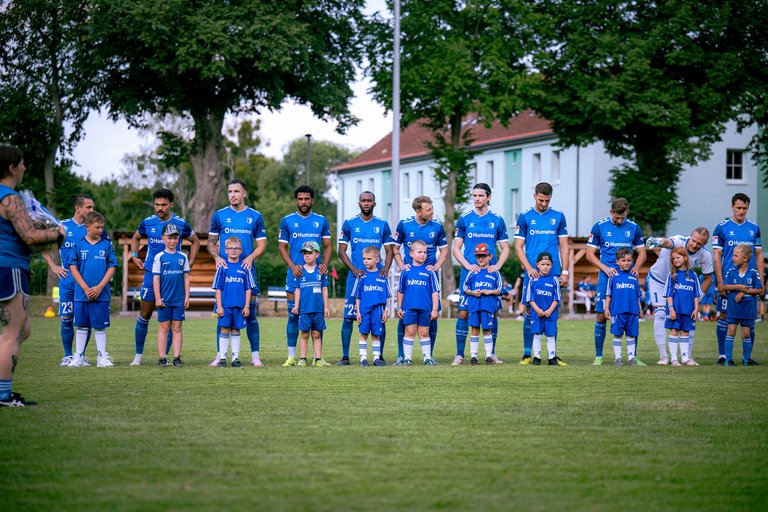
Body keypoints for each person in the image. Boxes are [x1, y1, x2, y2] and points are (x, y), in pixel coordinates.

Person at [0, 144, 66, 406]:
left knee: (23, 330)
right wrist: (57, 232)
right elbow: (28, 236)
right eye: (22, 164)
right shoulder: (10, 198)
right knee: (13, 332)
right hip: (9, 268)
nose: (25, 168)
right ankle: (3, 395)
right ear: (11, 168)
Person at [129, 189, 200, 366]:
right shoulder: (148, 222)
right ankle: (138, 356)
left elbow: (196, 241)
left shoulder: (180, 224)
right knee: (144, 314)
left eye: (163, 205)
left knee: (170, 321)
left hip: (172, 279)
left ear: (171, 205)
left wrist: (190, 261)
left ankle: (165, 357)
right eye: (157, 205)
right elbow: (135, 238)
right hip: (150, 276)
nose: (159, 208)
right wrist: (134, 255)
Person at [207, 179, 267, 366]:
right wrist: (217, 257)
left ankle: (255, 355)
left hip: (246, 273)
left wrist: (250, 258)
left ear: (244, 194)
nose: (232, 195)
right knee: (222, 315)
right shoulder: (219, 216)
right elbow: (211, 243)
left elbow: (262, 245)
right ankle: (220, 355)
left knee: (250, 314)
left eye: (236, 191)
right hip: (226, 273)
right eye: (230, 191)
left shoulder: (255, 216)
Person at [42, 194, 104, 366]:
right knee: (66, 318)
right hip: (68, 281)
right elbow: (42, 244)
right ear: (78, 208)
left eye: (93, 207)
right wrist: (53, 266)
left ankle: (80, 356)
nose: (92, 210)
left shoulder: (94, 228)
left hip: (87, 283)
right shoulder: (62, 226)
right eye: (88, 207)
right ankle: (68, 356)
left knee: (85, 321)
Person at [452, 183, 510, 365]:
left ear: (488, 197)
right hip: (469, 274)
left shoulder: (497, 220)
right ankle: (460, 355)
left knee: (492, 313)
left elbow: (505, 248)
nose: (477, 199)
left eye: (480, 195)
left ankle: (491, 354)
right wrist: (468, 265)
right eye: (474, 195)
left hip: (490, 276)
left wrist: (498, 265)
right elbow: (456, 248)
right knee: (463, 313)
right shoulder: (464, 219)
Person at [512, 182, 568, 365]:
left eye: (547, 201)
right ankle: (528, 354)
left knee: (553, 310)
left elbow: (564, 246)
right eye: (541, 200)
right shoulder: (525, 217)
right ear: (534, 196)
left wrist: (565, 271)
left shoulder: (558, 217)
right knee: (530, 309)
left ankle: (552, 354)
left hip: (554, 273)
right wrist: (529, 268)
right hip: (533, 274)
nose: (544, 204)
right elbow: (518, 247)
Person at [586, 198, 646, 365]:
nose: (620, 221)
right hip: (607, 276)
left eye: (623, 218)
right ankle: (599, 356)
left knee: (632, 314)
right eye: (617, 218)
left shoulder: (634, 227)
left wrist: (637, 267)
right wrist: (605, 268)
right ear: (611, 212)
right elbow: (589, 254)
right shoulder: (599, 227)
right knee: (601, 315)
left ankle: (634, 356)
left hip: (627, 277)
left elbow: (642, 253)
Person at [336, 191, 393, 366]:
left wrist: (386, 269)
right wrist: (354, 270)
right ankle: (345, 357)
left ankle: (379, 356)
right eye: (363, 200)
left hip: (376, 278)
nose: (366, 203)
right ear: (359, 203)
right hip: (356, 277)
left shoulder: (382, 224)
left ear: (374, 203)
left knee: (379, 317)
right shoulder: (350, 223)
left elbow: (390, 250)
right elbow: (341, 251)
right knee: (348, 317)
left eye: (369, 201)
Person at [278, 185, 332, 367]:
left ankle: (318, 358)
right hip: (295, 275)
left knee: (317, 316)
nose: (303, 202)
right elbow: (282, 247)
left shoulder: (321, 221)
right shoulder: (287, 220)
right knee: (294, 316)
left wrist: (324, 264)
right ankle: (292, 356)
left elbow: (328, 246)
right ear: (296, 201)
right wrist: (293, 266)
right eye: (300, 199)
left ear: (312, 200)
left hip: (316, 276)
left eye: (306, 199)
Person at [391, 195, 448, 364]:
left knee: (432, 315)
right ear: (418, 211)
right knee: (405, 315)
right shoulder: (405, 224)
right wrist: (402, 265)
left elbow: (444, 250)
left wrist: (436, 267)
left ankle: (429, 355)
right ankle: (402, 355)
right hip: (410, 277)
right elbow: (395, 249)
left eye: (432, 208)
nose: (432, 212)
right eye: (428, 209)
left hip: (429, 276)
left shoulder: (437, 225)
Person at [644, 228, 712, 364]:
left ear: (704, 244)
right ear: (690, 236)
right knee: (660, 314)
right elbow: (667, 242)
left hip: (679, 285)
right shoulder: (679, 240)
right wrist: (657, 241)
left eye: (699, 243)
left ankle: (687, 356)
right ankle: (664, 356)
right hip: (659, 280)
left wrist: (696, 299)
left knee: (688, 317)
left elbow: (708, 279)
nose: (694, 245)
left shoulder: (705, 255)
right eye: (693, 240)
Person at [712, 193, 764, 365]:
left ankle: (747, 358)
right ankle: (723, 356)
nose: (741, 211)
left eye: (745, 208)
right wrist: (720, 282)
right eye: (738, 208)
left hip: (749, 282)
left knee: (749, 320)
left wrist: (760, 281)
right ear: (732, 207)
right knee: (724, 316)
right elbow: (717, 255)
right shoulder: (722, 227)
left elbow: (759, 255)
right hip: (728, 282)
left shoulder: (754, 228)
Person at [65, 211, 117, 367]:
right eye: (97, 227)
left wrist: (100, 287)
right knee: (81, 326)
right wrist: (86, 288)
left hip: (102, 294)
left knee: (100, 326)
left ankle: (102, 357)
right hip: (82, 294)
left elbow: (112, 267)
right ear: (87, 227)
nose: (101, 230)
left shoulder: (107, 245)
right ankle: (79, 357)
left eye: (102, 227)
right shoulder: (78, 245)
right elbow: (73, 268)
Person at [210, 236, 257, 368]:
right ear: (226, 250)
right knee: (224, 329)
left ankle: (235, 358)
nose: (233, 250)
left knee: (236, 330)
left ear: (240, 250)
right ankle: (222, 358)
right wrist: (219, 306)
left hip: (239, 306)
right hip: (225, 306)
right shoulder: (222, 267)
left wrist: (246, 306)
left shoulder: (245, 267)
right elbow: (218, 289)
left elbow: (248, 289)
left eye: (236, 248)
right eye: (231, 248)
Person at [152, 223, 190, 368]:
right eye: (169, 238)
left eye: (175, 238)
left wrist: (187, 296)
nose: (173, 241)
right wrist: (157, 298)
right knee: (164, 327)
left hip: (179, 299)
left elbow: (186, 277)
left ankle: (177, 358)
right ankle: (162, 358)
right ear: (163, 238)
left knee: (177, 327)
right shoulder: (159, 257)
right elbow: (156, 278)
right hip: (164, 300)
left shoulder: (183, 257)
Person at [396, 240, 439, 366]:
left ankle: (427, 358)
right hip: (409, 307)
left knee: (424, 333)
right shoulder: (406, 271)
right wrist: (399, 307)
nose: (423, 254)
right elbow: (400, 290)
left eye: (425, 252)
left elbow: (435, 291)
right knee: (410, 332)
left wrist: (434, 309)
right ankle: (407, 358)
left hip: (425, 308)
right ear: (411, 254)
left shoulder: (430, 271)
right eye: (419, 252)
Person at [288, 241, 330, 367]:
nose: (307, 255)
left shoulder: (321, 271)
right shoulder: (300, 271)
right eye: (305, 253)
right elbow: (297, 290)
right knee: (304, 334)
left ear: (317, 254)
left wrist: (326, 307)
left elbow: (324, 289)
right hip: (305, 310)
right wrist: (296, 306)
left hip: (318, 309)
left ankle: (318, 359)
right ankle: (303, 359)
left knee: (316, 334)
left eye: (310, 253)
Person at [721, 244, 763, 366]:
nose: (732, 258)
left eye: (735, 256)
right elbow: (724, 287)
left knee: (746, 334)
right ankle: (728, 360)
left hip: (748, 309)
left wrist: (745, 291)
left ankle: (747, 359)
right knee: (731, 331)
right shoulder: (731, 272)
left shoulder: (753, 273)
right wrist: (738, 287)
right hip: (733, 308)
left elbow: (760, 290)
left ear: (745, 258)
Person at [462, 243, 502, 365]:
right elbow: (465, 288)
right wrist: (473, 292)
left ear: (490, 256)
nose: (481, 258)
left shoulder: (494, 272)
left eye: (483, 256)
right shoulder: (473, 271)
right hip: (474, 306)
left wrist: (490, 292)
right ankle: (473, 356)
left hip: (488, 306)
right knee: (474, 330)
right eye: (478, 256)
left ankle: (488, 356)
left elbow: (499, 289)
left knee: (487, 330)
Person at [352, 246, 392, 366]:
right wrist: (358, 312)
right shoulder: (361, 276)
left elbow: (388, 295)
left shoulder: (382, 276)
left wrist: (386, 310)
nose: (366, 261)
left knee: (376, 334)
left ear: (377, 260)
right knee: (363, 333)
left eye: (369, 259)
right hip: (364, 310)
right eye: (364, 259)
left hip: (378, 310)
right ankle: (363, 358)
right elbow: (357, 296)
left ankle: (376, 358)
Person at [604, 248, 644, 366]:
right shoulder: (613, 276)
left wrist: (640, 309)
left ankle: (631, 358)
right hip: (618, 311)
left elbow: (637, 295)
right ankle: (618, 358)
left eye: (629, 260)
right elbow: (608, 294)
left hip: (632, 311)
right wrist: (606, 308)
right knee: (618, 334)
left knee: (631, 334)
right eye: (623, 260)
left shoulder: (634, 276)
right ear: (617, 262)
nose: (626, 263)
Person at [663, 247, 703, 366]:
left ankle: (685, 358)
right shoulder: (672, 275)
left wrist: (696, 309)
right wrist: (671, 309)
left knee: (685, 332)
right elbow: (668, 295)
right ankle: (674, 358)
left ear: (685, 258)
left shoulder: (693, 275)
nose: (675, 260)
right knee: (674, 331)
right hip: (675, 310)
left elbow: (696, 295)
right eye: (673, 258)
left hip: (688, 310)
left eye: (677, 257)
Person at [525, 252, 564, 365]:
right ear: (537, 265)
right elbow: (530, 298)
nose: (545, 267)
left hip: (550, 314)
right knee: (537, 335)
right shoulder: (533, 279)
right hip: (536, 313)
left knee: (551, 335)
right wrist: (537, 310)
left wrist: (549, 311)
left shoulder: (554, 279)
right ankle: (537, 357)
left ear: (551, 265)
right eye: (543, 264)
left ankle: (551, 357)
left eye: (548, 264)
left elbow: (557, 298)